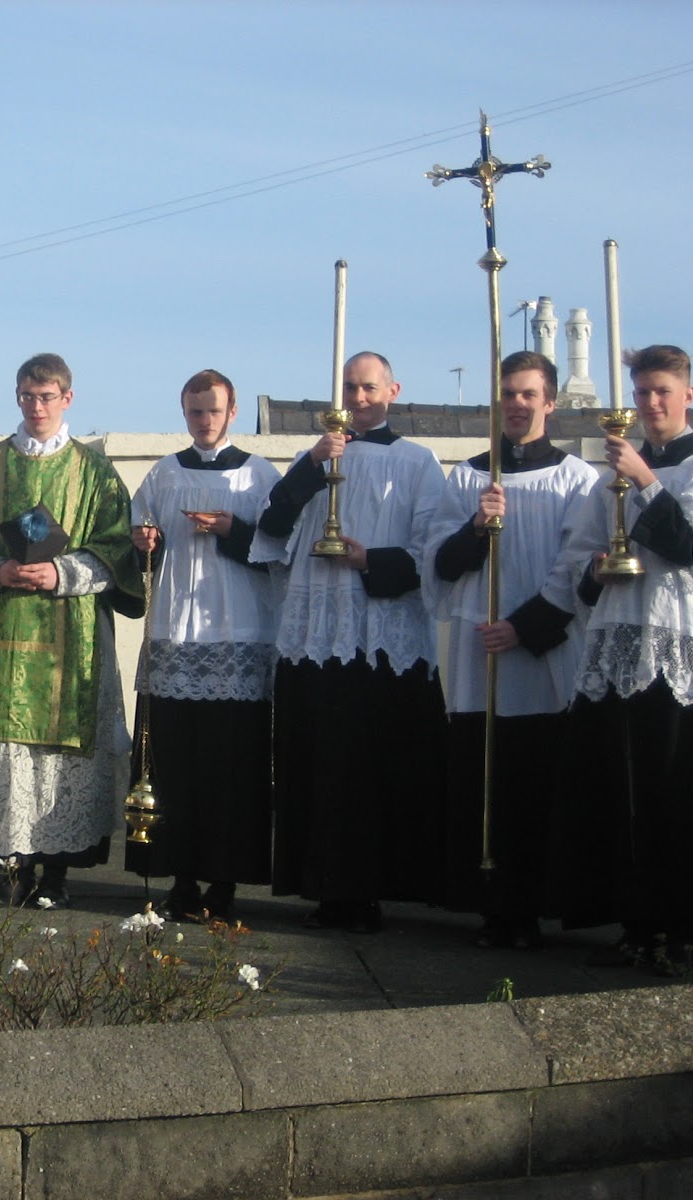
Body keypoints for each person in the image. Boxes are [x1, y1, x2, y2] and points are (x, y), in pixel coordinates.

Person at [0, 353, 142, 909]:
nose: (36, 406)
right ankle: (10, 867)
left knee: (60, 760)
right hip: (3, 626)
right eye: (27, 395)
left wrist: (60, 571)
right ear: (17, 396)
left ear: (67, 398)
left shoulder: (94, 472)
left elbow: (116, 545)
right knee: (6, 749)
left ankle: (55, 873)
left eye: (47, 396)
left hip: (70, 633)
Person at [250, 351, 447, 933]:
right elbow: (273, 526)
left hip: (378, 641)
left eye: (368, 388)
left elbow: (431, 550)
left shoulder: (416, 462)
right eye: (349, 388)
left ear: (392, 390)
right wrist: (312, 465)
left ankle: (370, 890)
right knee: (318, 765)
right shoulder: (315, 459)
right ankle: (323, 887)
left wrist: (369, 559)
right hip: (316, 637)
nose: (359, 398)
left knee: (370, 770)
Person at [424, 351, 597, 949]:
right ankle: (491, 906)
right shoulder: (470, 477)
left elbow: (577, 565)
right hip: (478, 654)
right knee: (483, 781)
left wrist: (523, 628)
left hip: (540, 652)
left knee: (534, 780)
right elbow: (438, 563)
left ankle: (533, 904)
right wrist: (475, 527)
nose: (517, 405)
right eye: (507, 394)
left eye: (528, 395)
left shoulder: (575, 479)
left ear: (550, 401)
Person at [550, 344, 693, 972]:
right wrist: (592, 570)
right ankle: (636, 923)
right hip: (618, 642)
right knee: (626, 789)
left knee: (680, 789)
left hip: (680, 649)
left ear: (688, 395)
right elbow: (580, 565)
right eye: (641, 392)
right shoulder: (608, 476)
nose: (651, 403)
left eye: (662, 391)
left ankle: (686, 924)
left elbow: (688, 550)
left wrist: (643, 479)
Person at [126, 369, 281, 922]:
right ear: (183, 411)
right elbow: (140, 534)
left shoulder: (259, 475)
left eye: (213, 410)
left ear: (232, 411)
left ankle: (224, 884)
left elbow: (279, 548)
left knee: (230, 768)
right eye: (195, 411)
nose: (204, 420)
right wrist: (147, 539)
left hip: (236, 633)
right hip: (175, 630)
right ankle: (181, 879)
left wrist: (230, 530)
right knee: (176, 765)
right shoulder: (164, 474)